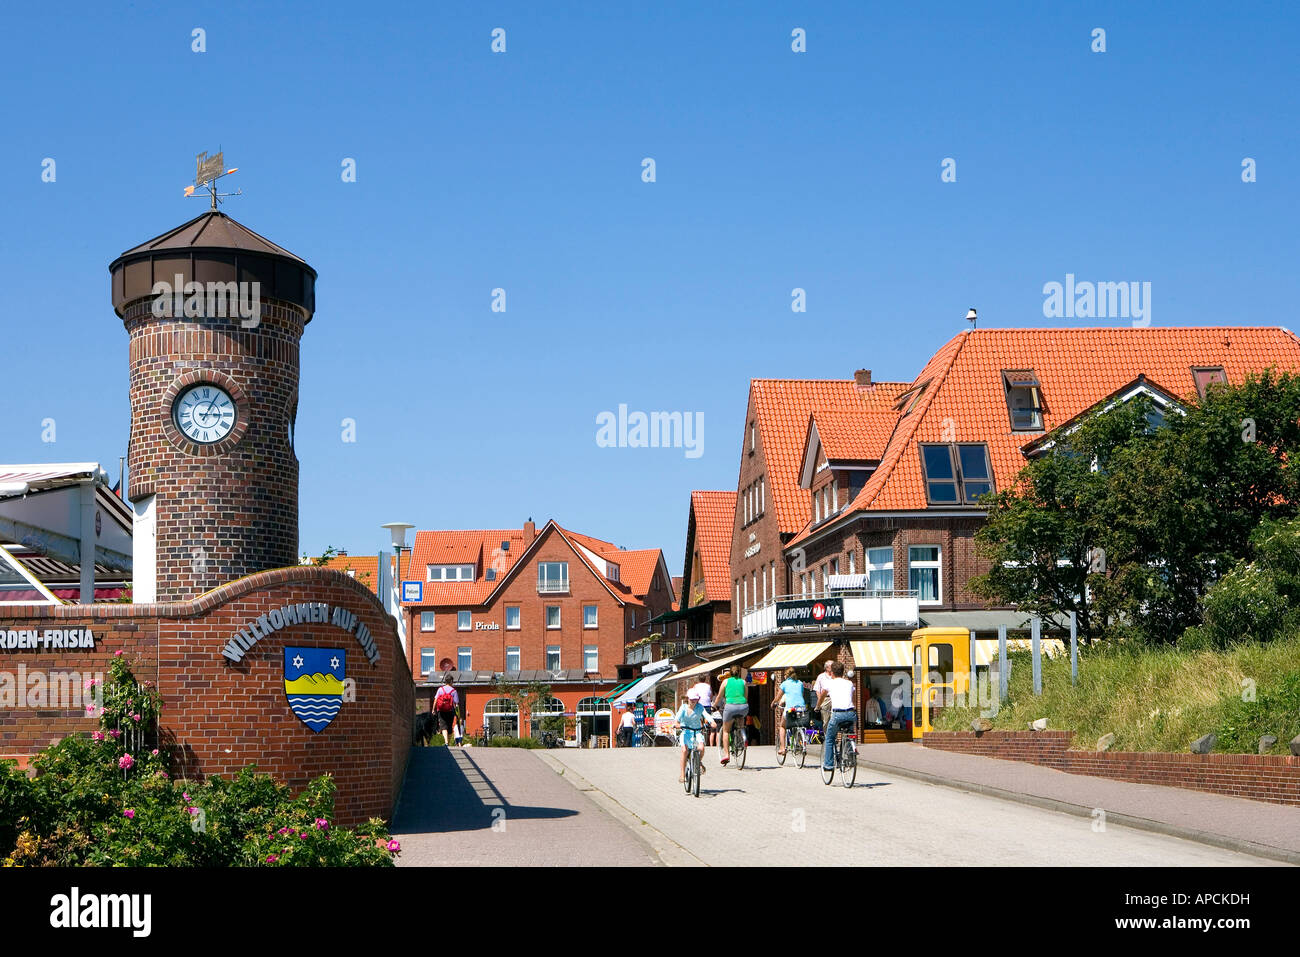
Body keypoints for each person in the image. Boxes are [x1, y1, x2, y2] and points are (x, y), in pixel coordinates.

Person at [817, 661, 856, 771]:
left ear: (832, 673)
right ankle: (850, 757)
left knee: (829, 738)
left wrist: (817, 706)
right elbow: (853, 698)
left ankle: (828, 765)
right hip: (851, 714)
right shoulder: (849, 683)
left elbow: (822, 697)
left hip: (838, 714)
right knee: (849, 734)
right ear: (843, 672)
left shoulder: (829, 683)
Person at [673, 688, 717, 783]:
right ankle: (682, 774)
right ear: (687, 698)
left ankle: (698, 762)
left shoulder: (700, 707)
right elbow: (677, 719)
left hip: (697, 732)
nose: (693, 701)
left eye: (696, 699)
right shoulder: (683, 708)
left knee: (701, 748)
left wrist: (712, 722)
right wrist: (677, 724)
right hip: (686, 732)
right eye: (692, 699)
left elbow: (706, 715)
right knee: (684, 750)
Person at [716, 665, 749, 765]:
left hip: (730, 707)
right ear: (739, 672)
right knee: (740, 721)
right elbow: (746, 697)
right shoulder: (743, 682)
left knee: (726, 731)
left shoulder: (725, 682)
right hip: (743, 707)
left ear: (730, 673)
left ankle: (727, 755)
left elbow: (719, 696)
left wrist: (714, 705)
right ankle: (742, 732)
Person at [772, 667, 808, 756]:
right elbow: (801, 695)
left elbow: (778, 697)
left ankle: (782, 748)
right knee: (798, 724)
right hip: (801, 708)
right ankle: (800, 742)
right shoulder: (800, 683)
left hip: (790, 708)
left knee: (782, 726)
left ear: (786, 675)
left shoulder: (785, 684)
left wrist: (773, 703)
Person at [432, 674, 461, 746]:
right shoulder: (454, 691)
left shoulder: (440, 689)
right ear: (451, 681)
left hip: (441, 710)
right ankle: (448, 741)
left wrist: (433, 709)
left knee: (443, 726)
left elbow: (435, 700)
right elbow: (456, 703)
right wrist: (458, 714)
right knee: (449, 726)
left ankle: (446, 742)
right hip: (450, 711)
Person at [689, 676, 717, 746]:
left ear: (699, 679)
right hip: (707, 704)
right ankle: (707, 726)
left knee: (699, 718)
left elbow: (693, 694)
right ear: (705, 679)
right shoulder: (708, 686)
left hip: (699, 704)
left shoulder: (695, 686)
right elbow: (711, 696)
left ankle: (700, 730)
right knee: (707, 717)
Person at [813, 659, 835, 731]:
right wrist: (821, 701)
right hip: (825, 699)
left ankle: (834, 737)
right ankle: (827, 737)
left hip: (834, 698)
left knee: (834, 719)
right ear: (827, 668)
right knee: (826, 720)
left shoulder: (835, 676)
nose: (833, 667)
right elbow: (817, 689)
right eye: (832, 666)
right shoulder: (821, 676)